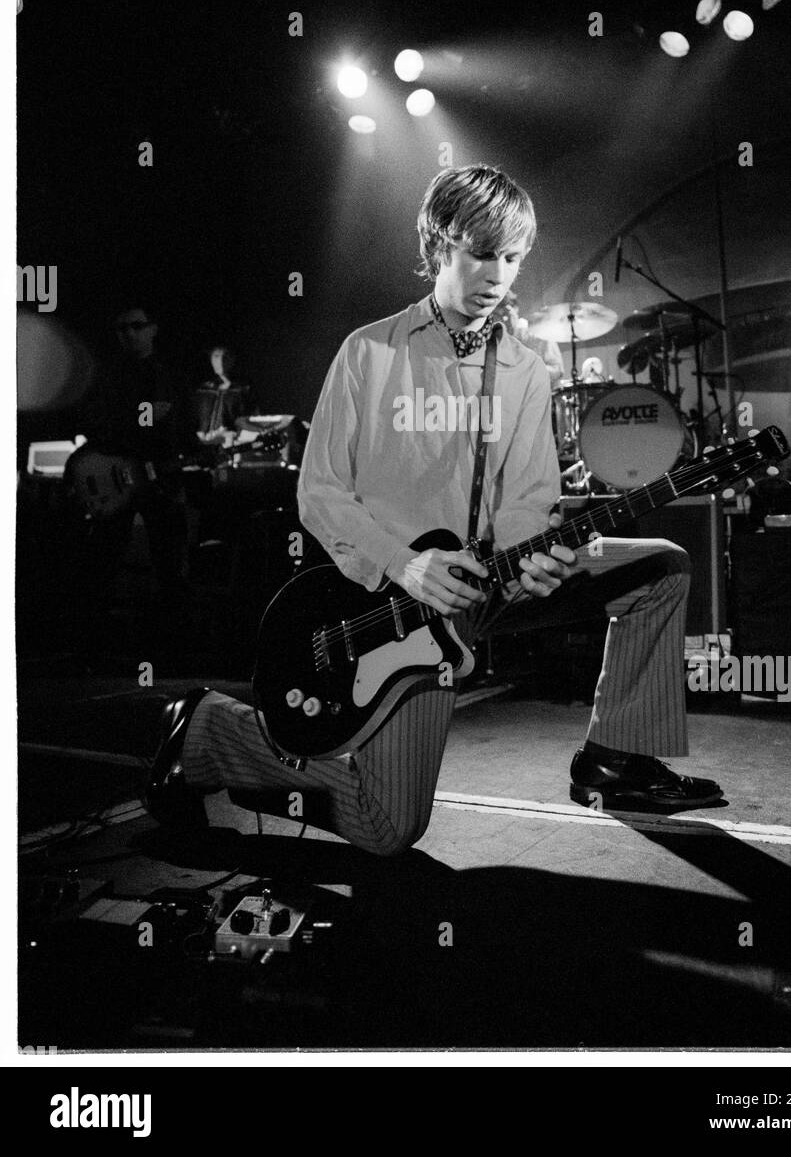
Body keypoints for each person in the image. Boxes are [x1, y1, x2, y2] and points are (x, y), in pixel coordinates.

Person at [148, 166, 722, 854]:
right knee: (387, 827)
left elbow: (531, 495)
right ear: (439, 244)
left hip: (490, 583)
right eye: (482, 253)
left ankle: (616, 758)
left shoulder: (527, 371)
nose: (498, 275)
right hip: (401, 609)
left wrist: (529, 558)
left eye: (512, 258)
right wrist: (406, 563)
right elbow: (321, 492)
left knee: (661, 567)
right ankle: (210, 729)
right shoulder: (368, 352)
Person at [76, 304, 190, 656]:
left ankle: (168, 647)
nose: (128, 333)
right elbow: (97, 421)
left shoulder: (165, 372)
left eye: (136, 326)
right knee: (105, 559)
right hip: (122, 477)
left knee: (168, 561)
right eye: (122, 328)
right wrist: (142, 419)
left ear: (153, 329)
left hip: (159, 478)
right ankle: (96, 644)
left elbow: (171, 423)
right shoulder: (109, 375)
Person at [492, 290, 564, 385]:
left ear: (515, 309)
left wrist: (527, 370)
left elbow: (557, 370)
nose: (502, 320)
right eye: (496, 316)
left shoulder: (538, 335)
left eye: (504, 314)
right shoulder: (495, 342)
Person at [193, 345, 252, 449]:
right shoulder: (203, 391)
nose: (220, 361)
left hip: (231, 444)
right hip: (202, 443)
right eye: (216, 356)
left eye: (225, 357)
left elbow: (249, 420)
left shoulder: (241, 391)